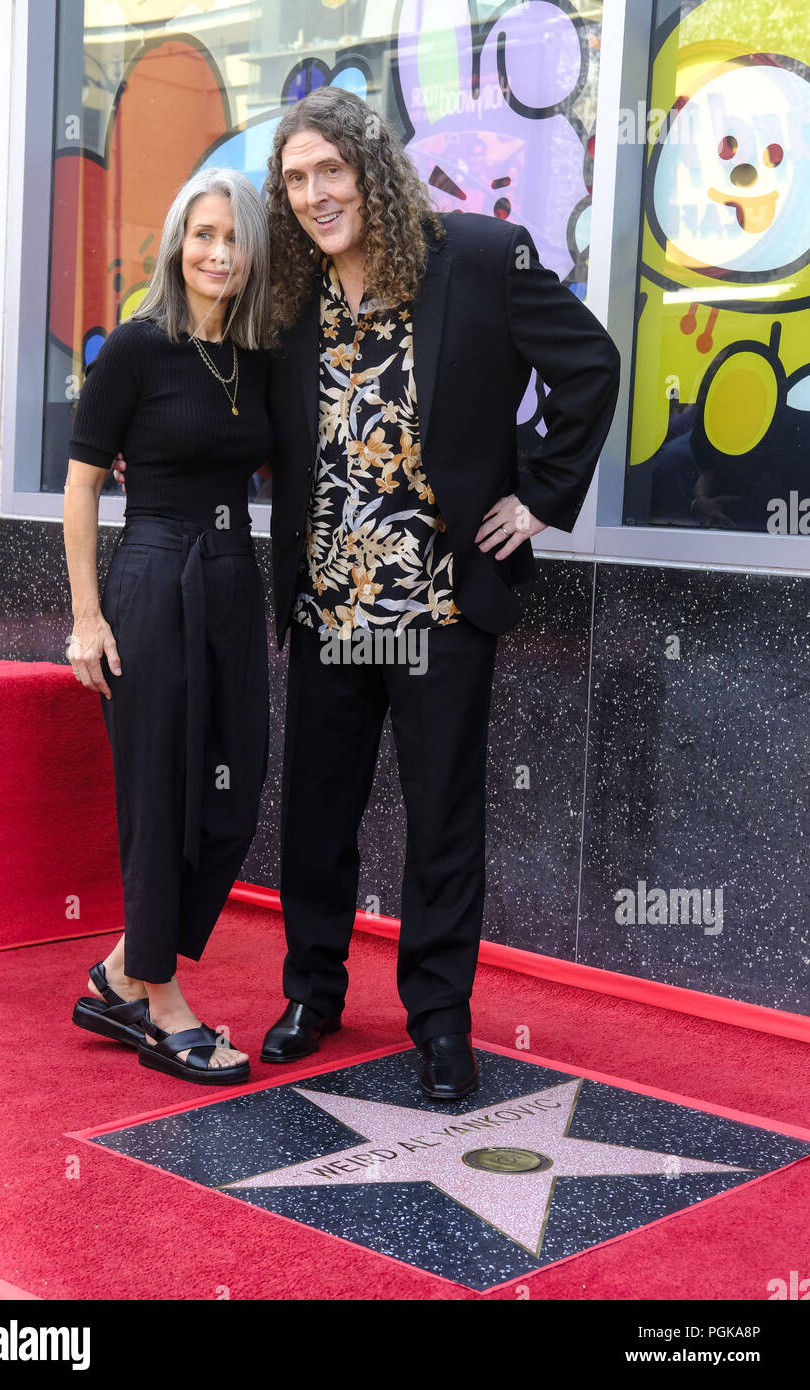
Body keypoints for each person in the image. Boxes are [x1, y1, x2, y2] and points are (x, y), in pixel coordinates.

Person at [257, 88, 621, 1099]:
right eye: (296, 178)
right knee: (318, 815)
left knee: (442, 818)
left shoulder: (474, 255)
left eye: (331, 169)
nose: (316, 193)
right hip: (330, 607)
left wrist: (540, 497)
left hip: (440, 609)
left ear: (371, 165)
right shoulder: (294, 293)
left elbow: (589, 363)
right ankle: (311, 993)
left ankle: (439, 1019)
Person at [64, 167, 273, 1085]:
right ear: (177, 243)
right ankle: (159, 998)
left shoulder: (259, 355)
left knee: (236, 785)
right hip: (152, 579)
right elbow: (79, 483)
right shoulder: (139, 349)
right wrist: (84, 619)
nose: (218, 253)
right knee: (160, 796)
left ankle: (118, 969)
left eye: (233, 237)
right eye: (202, 234)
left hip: (233, 580)